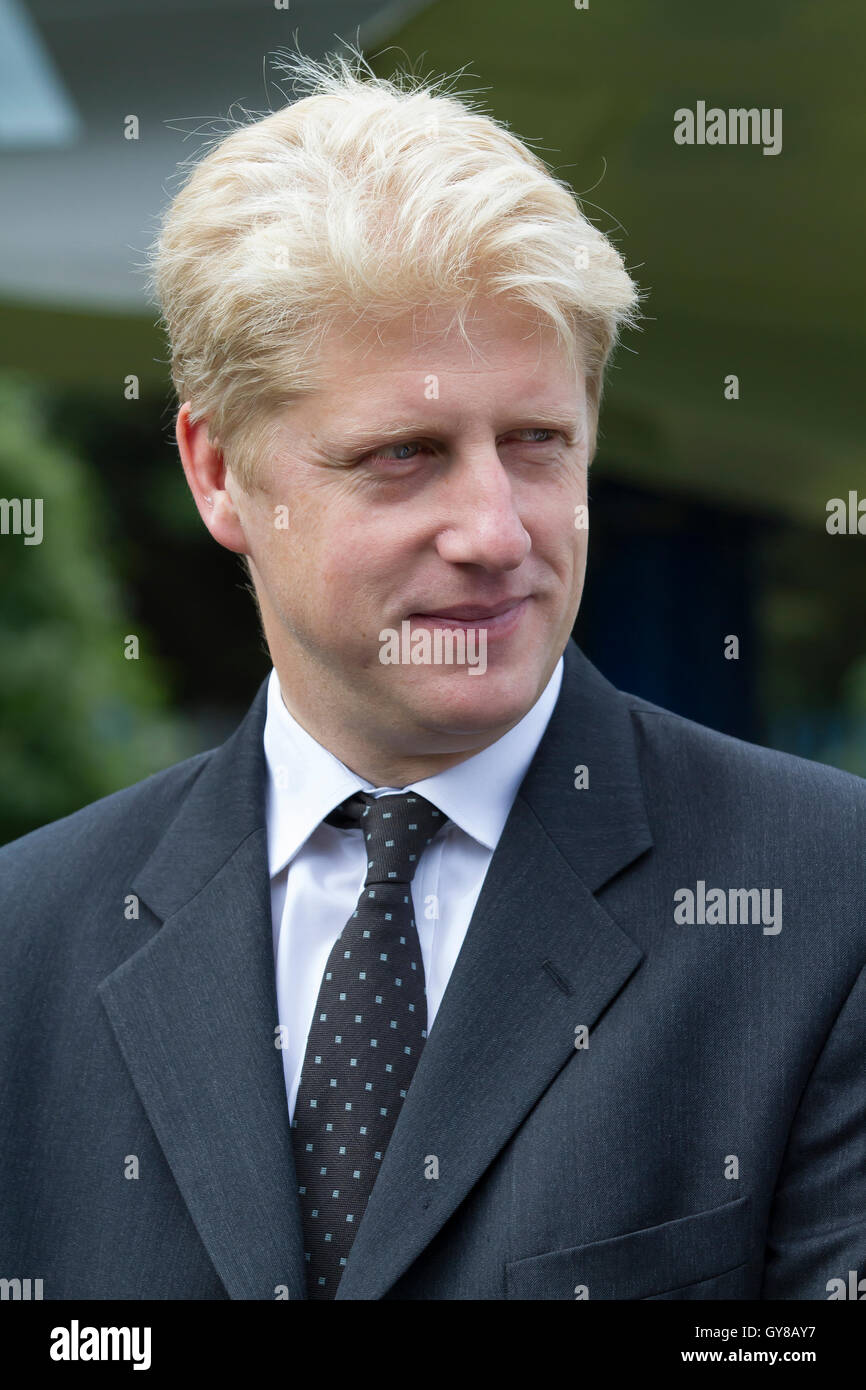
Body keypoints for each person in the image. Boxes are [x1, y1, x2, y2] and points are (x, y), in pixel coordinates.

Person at [1, 46, 864, 1303]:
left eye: (535, 443)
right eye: (403, 455)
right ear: (218, 472)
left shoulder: (826, 905)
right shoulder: (27, 943)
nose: (497, 532)